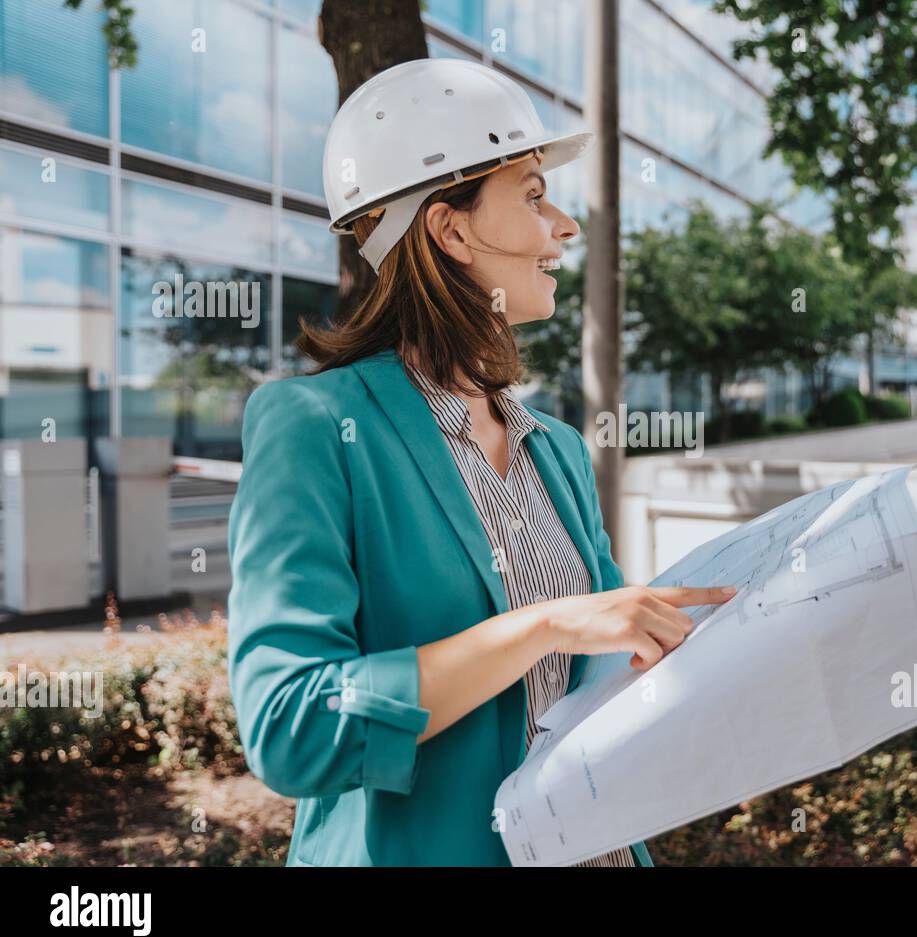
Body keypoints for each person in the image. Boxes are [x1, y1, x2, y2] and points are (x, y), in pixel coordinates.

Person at [225, 58, 735, 866]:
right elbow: (293, 728)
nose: (564, 226)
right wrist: (543, 624)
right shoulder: (314, 427)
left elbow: (596, 681)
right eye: (533, 195)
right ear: (450, 230)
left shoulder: (556, 450)